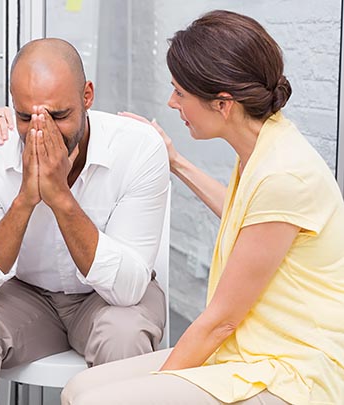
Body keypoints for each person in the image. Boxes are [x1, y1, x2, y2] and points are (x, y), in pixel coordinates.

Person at [62, 10, 344, 405]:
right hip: (250, 352)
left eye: (180, 92)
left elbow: (220, 321)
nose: (171, 101)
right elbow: (245, 216)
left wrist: (152, 390)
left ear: (223, 104)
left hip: (294, 370)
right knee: (78, 389)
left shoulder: (284, 175)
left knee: (100, 400)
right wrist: (175, 161)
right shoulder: (264, 143)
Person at [0, 38, 170, 405]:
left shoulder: (138, 148)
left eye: (59, 116)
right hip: (25, 296)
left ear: (87, 95)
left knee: (126, 331)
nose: (42, 131)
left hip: (107, 301)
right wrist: (26, 198)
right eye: (26, 117)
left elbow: (127, 288)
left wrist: (60, 196)